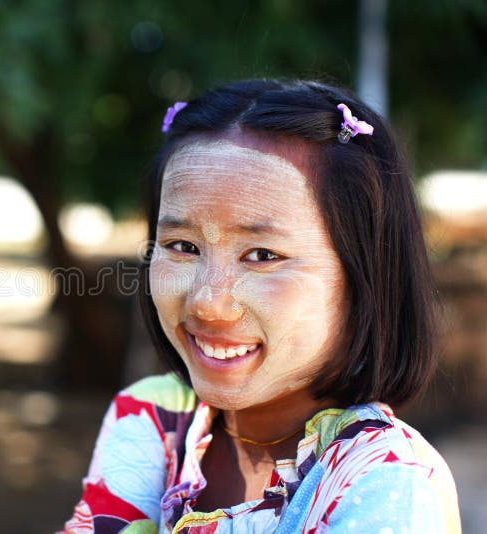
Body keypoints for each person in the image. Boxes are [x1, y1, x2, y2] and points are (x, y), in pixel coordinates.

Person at [61, 79, 461, 533]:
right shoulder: (153, 417)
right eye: (182, 246)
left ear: (366, 276)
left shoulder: (384, 480)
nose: (209, 303)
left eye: (264, 256)